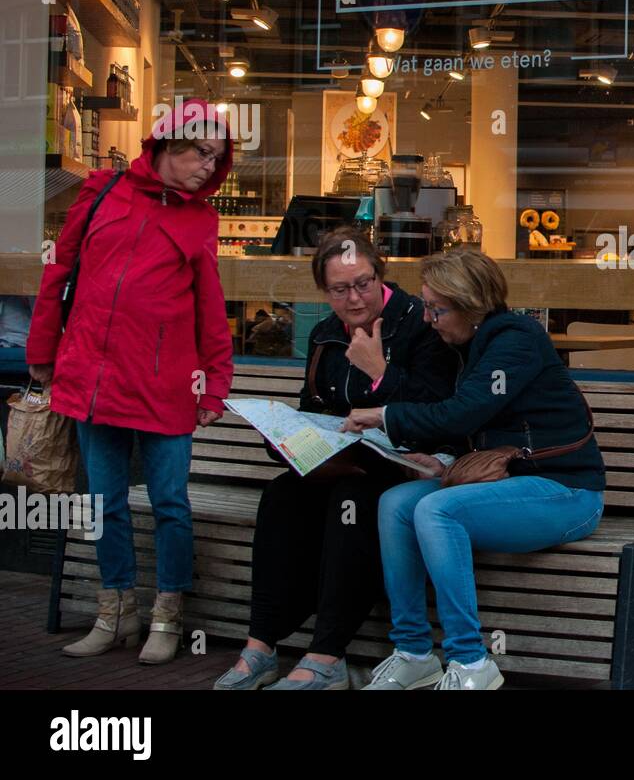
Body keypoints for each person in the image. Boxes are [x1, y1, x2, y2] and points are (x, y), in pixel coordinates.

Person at [26, 100, 234, 665]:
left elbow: (211, 311)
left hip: (167, 386)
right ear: (166, 144)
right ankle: (115, 612)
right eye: (199, 153)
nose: (206, 168)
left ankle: (167, 614)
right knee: (104, 503)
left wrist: (215, 386)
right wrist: (42, 348)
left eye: (215, 160)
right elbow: (58, 273)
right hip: (93, 375)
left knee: (170, 502)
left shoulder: (201, 220)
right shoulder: (99, 192)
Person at [341, 250, 605, 691]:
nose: (428, 319)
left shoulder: (516, 339)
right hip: (507, 486)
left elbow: (463, 412)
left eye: (436, 308)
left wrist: (384, 415)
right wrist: (445, 461)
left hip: (567, 492)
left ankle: (471, 663)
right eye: (426, 306)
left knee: (437, 511)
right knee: (396, 504)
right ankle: (413, 653)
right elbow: (477, 425)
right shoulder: (472, 344)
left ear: (470, 304)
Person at [215, 228, 459, 690]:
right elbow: (315, 407)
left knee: (353, 499)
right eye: (340, 289)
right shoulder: (328, 333)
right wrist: (286, 442)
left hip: (407, 466)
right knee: (282, 494)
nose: (354, 298)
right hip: (348, 459)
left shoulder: (417, 323)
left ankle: (326, 656)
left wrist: (380, 372)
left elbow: (439, 412)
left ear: (379, 273)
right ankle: (261, 644)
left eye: (363, 283)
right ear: (324, 292)